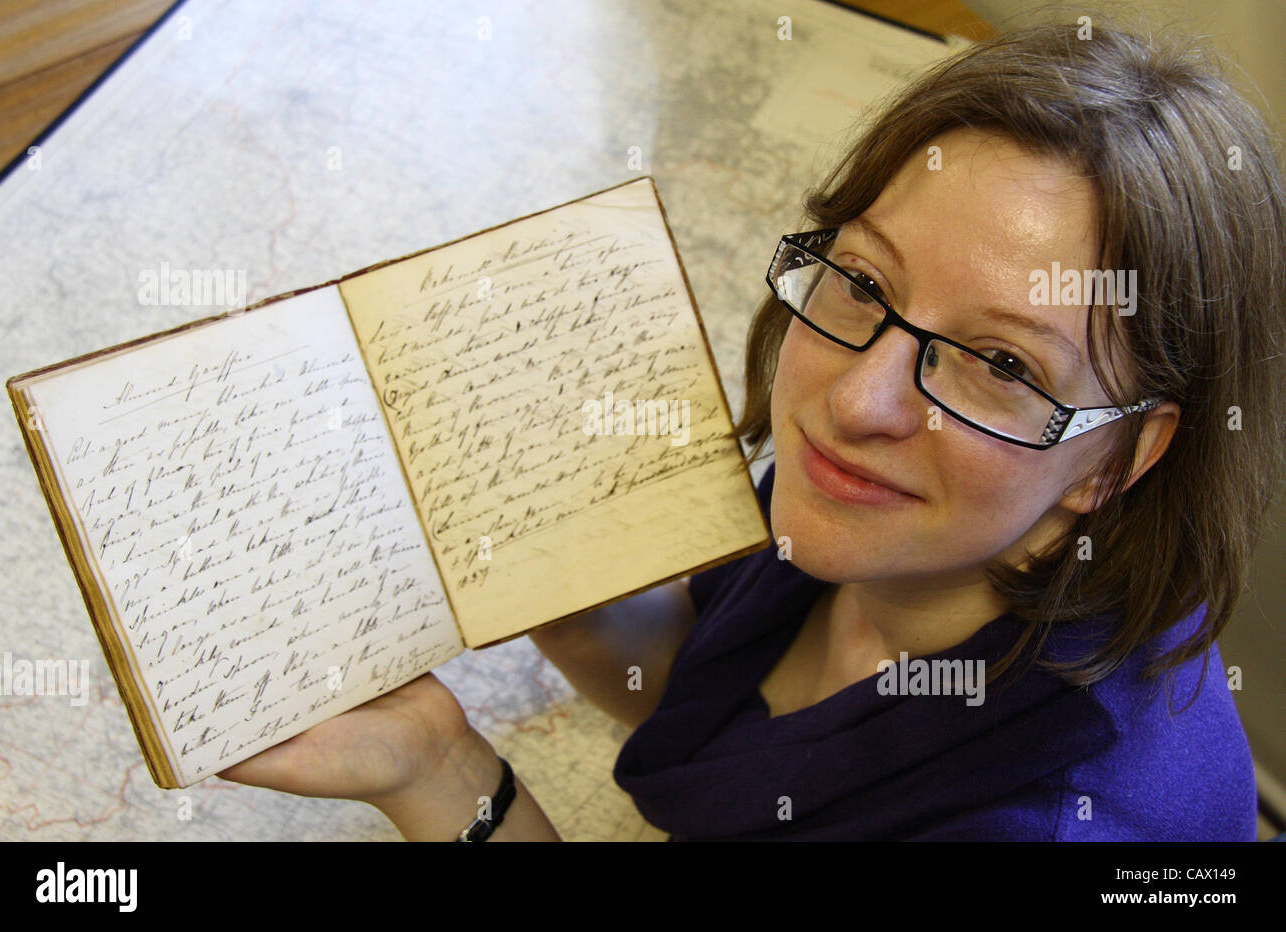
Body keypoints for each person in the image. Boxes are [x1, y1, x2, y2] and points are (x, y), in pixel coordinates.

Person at [219, 18, 1286, 840]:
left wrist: (441, 773)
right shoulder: (902, 518)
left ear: (1125, 454)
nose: (853, 402)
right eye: (866, 277)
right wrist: (550, 568)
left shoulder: (1037, 820)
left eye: (1002, 363)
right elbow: (714, 693)